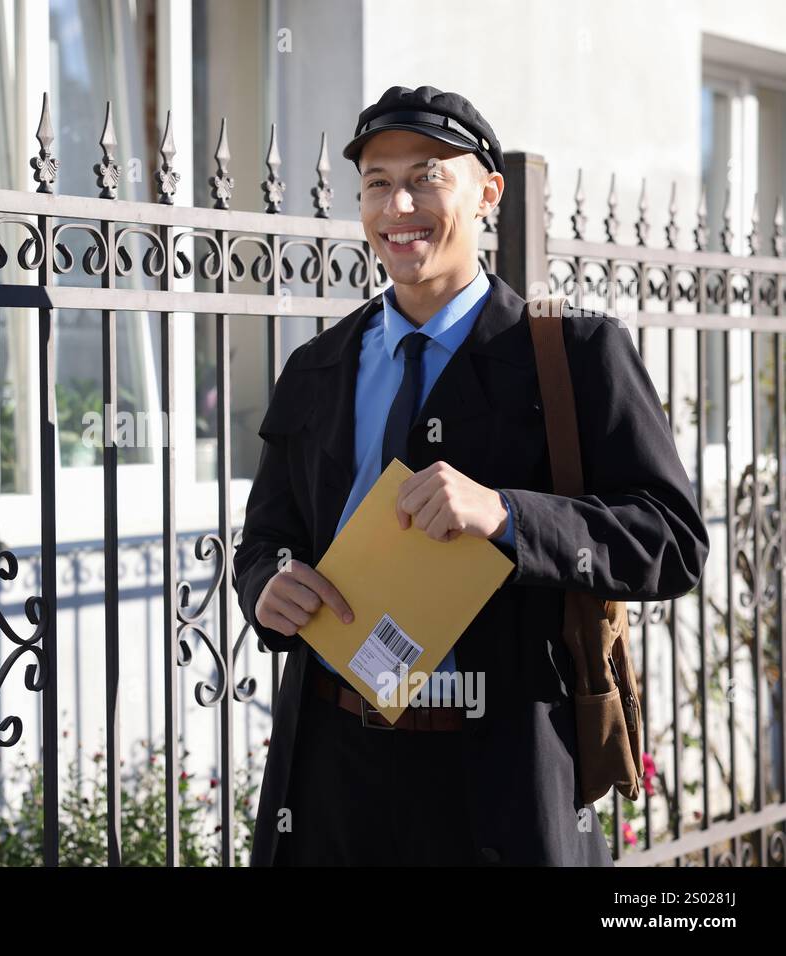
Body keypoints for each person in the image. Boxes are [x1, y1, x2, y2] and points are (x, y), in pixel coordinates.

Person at [233, 85, 710, 866]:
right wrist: (268, 584)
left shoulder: (576, 355)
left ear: (488, 193)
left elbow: (675, 541)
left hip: (499, 778)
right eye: (378, 184)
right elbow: (267, 539)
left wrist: (509, 516)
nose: (399, 205)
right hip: (332, 774)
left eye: (427, 176)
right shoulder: (316, 367)